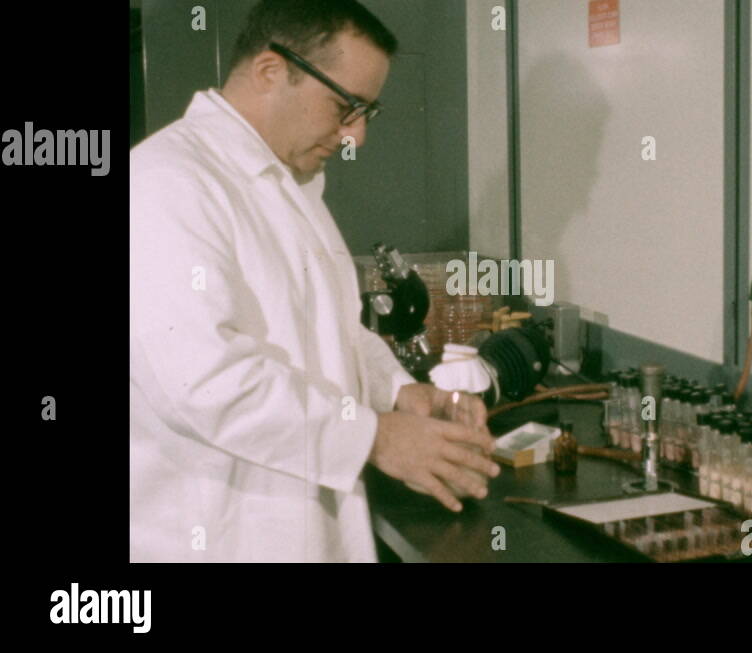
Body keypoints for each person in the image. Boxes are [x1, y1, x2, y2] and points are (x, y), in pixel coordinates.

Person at [130, 0, 499, 563]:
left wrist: (399, 391)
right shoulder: (165, 183)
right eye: (344, 107)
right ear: (271, 72)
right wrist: (375, 437)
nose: (355, 138)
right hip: (217, 540)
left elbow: (337, 331)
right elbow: (205, 383)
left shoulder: (291, 184)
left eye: (366, 114)